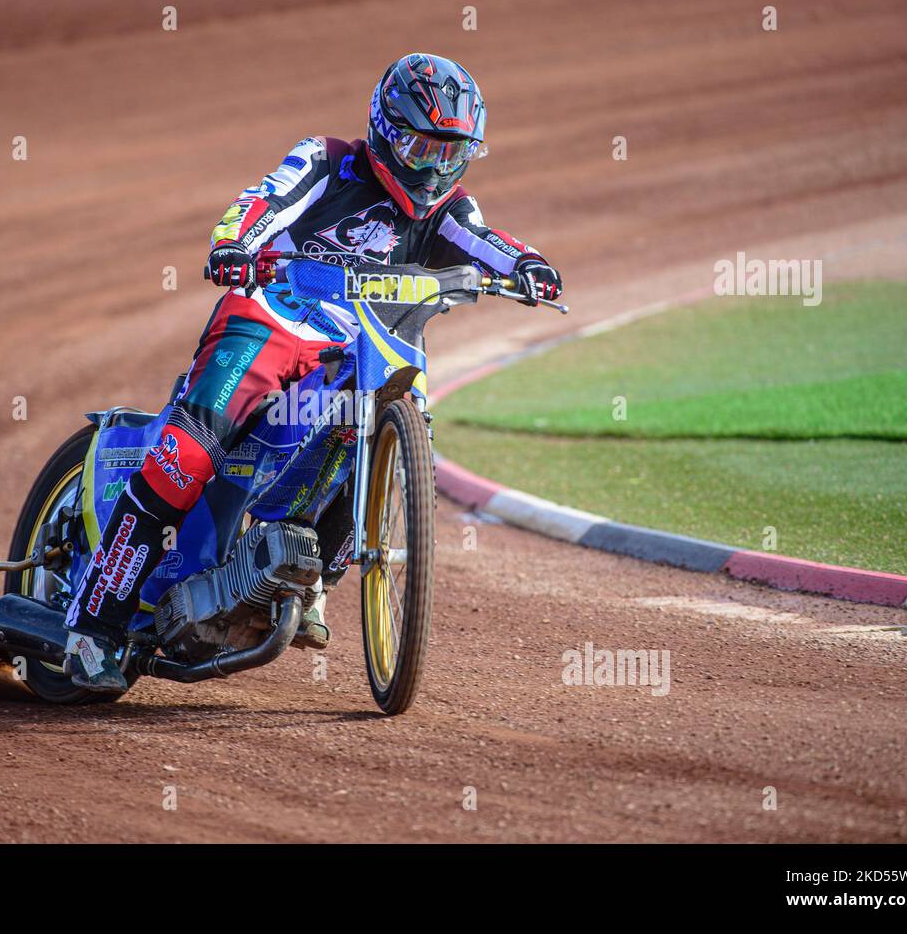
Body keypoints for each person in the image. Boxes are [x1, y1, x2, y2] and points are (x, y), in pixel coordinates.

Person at [64, 53, 563, 692]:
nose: (434, 166)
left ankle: (307, 578)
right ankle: (93, 625)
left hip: (369, 347)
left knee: (382, 450)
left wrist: (530, 267)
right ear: (384, 128)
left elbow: (487, 243)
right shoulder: (327, 161)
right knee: (186, 455)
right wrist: (234, 244)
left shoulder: (449, 209)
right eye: (419, 144)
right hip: (273, 317)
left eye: (451, 152)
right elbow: (264, 199)